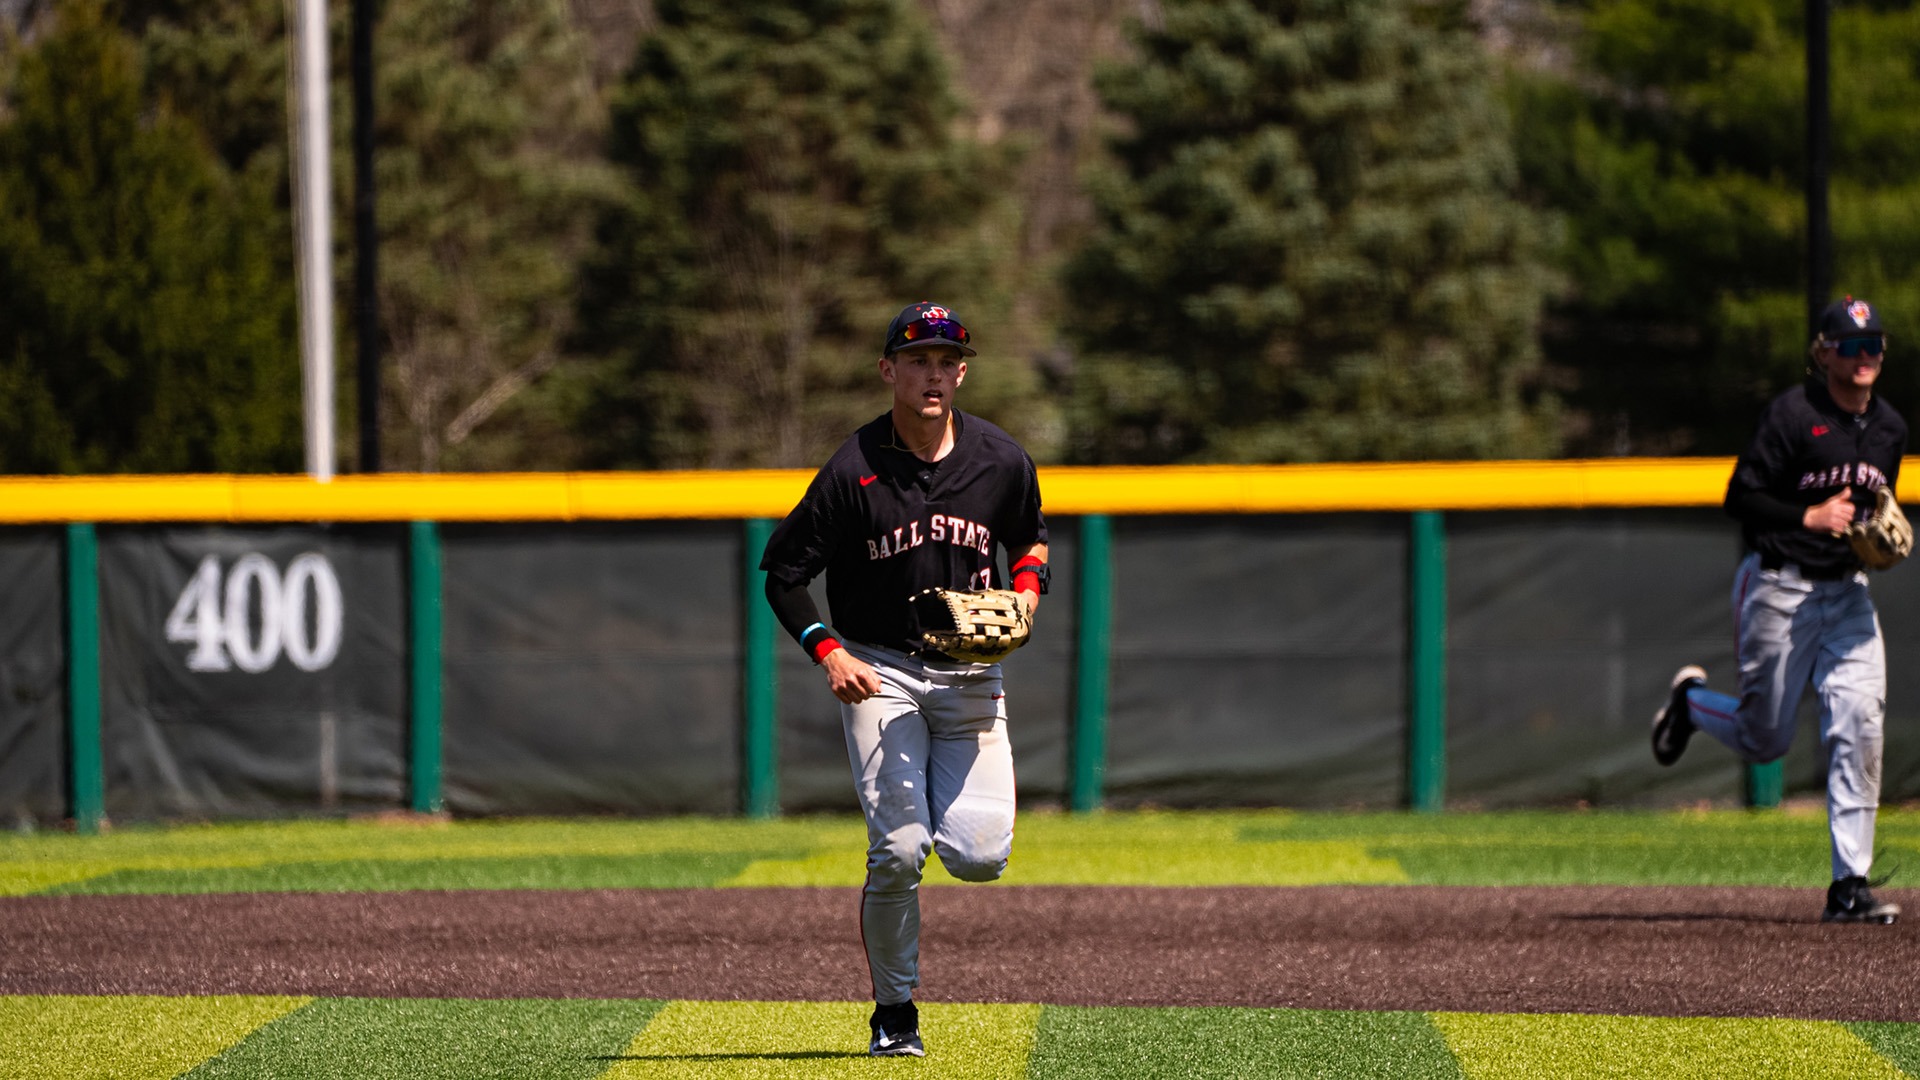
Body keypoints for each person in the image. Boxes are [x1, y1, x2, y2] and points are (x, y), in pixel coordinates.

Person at [759, 301, 1049, 1056]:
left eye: (948, 361)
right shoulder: (852, 468)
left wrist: (1026, 593)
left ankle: (942, 839)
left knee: (979, 858)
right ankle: (895, 1013)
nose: (934, 374)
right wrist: (829, 651)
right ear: (889, 370)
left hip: (969, 675)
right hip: (879, 668)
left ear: (962, 374)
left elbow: (1029, 541)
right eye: (918, 360)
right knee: (898, 847)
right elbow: (784, 576)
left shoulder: (1001, 460)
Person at [1651, 296, 1906, 924]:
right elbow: (1740, 497)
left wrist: (1872, 537)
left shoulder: (1889, 429)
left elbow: (1873, 505)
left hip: (1847, 595)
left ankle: (1849, 886)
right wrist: (1807, 517)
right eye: (1851, 346)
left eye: (1873, 344)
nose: (1865, 356)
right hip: (1779, 590)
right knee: (1765, 739)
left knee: (1860, 725)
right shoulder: (1793, 415)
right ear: (1824, 354)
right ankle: (1691, 704)